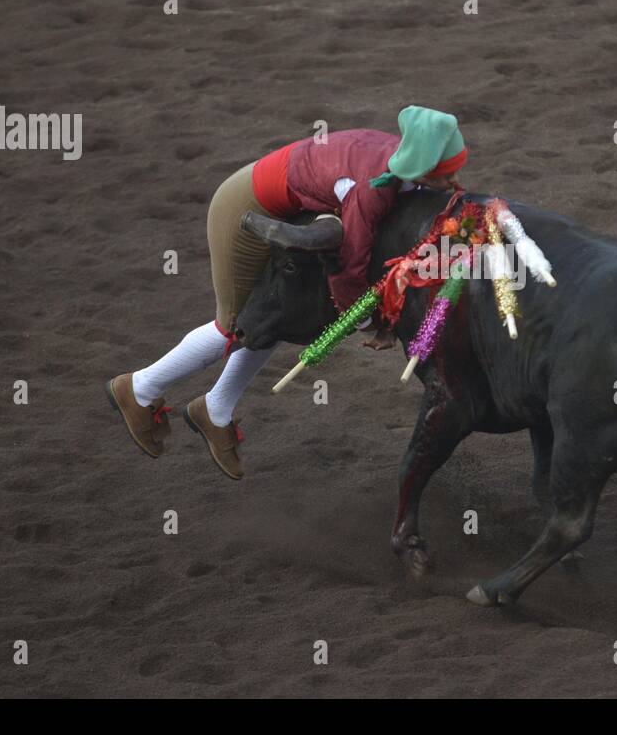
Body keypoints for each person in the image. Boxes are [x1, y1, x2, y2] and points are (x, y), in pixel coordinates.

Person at [105, 105, 468, 480]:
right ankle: (139, 388)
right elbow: (349, 267)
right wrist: (368, 323)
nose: (454, 180)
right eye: (446, 175)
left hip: (291, 200)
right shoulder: (369, 189)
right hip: (245, 208)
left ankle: (214, 409)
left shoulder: (410, 157)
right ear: (423, 168)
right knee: (233, 325)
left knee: (275, 314)